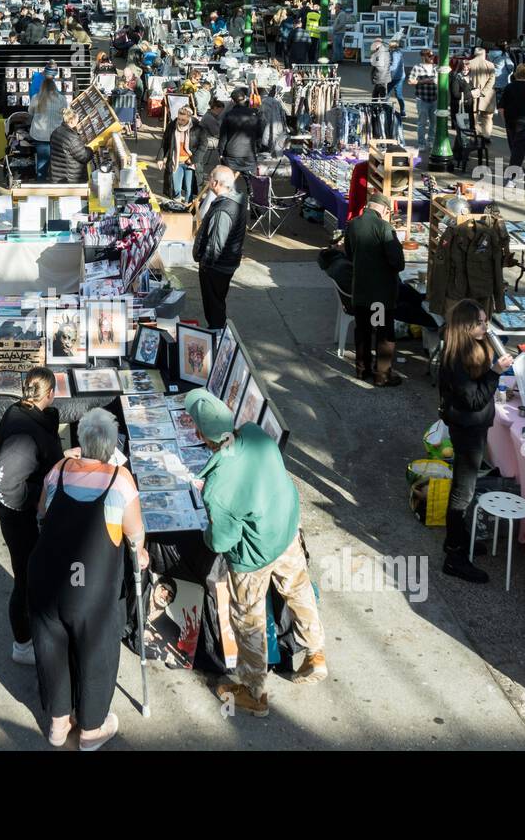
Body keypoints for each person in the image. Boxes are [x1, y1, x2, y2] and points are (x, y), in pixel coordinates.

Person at [184, 388, 327, 718]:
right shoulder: (254, 433)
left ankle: (254, 692)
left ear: (199, 434)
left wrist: (207, 530)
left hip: (255, 555)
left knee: (248, 618)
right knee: (299, 590)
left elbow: (219, 542)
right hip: (287, 530)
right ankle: (315, 655)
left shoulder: (218, 488)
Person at [29, 407, 146, 750]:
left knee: (51, 647)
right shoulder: (120, 481)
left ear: (80, 443)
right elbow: (135, 535)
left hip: (48, 579)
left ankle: (58, 724)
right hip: (93, 590)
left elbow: (42, 512)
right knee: (97, 653)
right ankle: (91, 730)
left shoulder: (58, 470)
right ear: (112, 448)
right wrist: (141, 553)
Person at [0, 367, 64, 668]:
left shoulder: (20, 411)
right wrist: (39, 498)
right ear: (49, 394)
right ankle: (22, 643)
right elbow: (1, 483)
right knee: (25, 578)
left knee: (33, 574)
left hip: (23, 515)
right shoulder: (25, 437)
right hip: (19, 519)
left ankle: (34, 629)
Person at [438, 299, 513, 584]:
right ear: (467, 326)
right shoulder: (455, 358)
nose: (486, 326)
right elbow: (473, 399)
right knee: (463, 491)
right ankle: (455, 556)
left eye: (485, 321)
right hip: (466, 428)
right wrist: (495, 372)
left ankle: (456, 540)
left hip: (472, 426)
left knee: (464, 487)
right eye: (481, 322)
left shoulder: (469, 347)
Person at [344, 193, 405, 386]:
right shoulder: (384, 228)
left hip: (360, 291)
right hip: (379, 296)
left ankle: (361, 370)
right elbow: (397, 263)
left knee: (362, 330)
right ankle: (382, 375)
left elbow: (349, 252)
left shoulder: (353, 224)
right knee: (382, 332)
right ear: (385, 210)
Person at [193, 165, 246, 330]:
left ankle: (216, 334)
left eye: (210, 178)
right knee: (217, 301)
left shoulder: (223, 210)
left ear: (215, 183)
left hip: (217, 268)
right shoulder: (233, 201)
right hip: (226, 264)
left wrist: (204, 266)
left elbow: (215, 246)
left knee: (214, 305)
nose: (208, 181)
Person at [218, 87, 263, 196]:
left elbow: (223, 137)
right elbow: (259, 135)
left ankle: (229, 205)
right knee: (251, 184)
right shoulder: (254, 114)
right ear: (245, 99)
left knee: (228, 183)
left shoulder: (228, 115)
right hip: (249, 154)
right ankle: (254, 208)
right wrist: (257, 148)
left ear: (233, 101)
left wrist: (220, 152)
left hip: (232, 154)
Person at [498, 63, 525, 184]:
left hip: (510, 121)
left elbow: (501, 108)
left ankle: (516, 169)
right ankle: (512, 176)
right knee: (519, 149)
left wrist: (504, 120)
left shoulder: (509, 87)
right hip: (524, 122)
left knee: (514, 147)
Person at [157, 104, 207, 202]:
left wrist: (192, 159)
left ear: (189, 118)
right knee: (176, 189)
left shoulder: (198, 128)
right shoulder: (172, 126)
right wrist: (160, 158)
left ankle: (187, 210)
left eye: (183, 120)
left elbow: (203, 146)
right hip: (176, 162)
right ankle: (177, 206)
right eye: (179, 119)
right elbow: (165, 143)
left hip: (190, 164)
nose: (180, 122)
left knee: (189, 189)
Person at [28, 77, 66, 180]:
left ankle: (41, 183)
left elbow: (30, 112)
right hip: (56, 136)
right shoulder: (62, 98)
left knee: (41, 162)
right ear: (54, 87)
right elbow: (65, 115)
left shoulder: (36, 98)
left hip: (39, 135)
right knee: (57, 162)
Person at [47, 106, 93, 184]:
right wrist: (90, 149)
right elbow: (84, 156)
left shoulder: (57, 131)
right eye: (77, 119)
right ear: (72, 121)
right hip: (70, 178)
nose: (78, 121)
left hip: (56, 176)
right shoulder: (72, 138)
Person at [408, 50, 439, 154]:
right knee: (422, 123)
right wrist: (425, 81)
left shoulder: (436, 67)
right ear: (424, 57)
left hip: (434, 98)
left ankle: (430, 141)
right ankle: (421, 143)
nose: (432, 57)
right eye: (430, 55)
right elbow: (410, 81)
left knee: (433, 122)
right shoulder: (417, 67)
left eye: (433, 55)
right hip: (422, 98)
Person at [467, 47, 497, 140]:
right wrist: (483, 91)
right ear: (484, 54)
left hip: (472, 93)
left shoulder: (468, 64)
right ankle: (486, 135)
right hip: (487, 95)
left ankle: (474, 135)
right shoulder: (490, 65)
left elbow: (465, 79)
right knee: (487, 117)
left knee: (473, 116)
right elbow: (492, 80)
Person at [387, 39, 406, 120]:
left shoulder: (395, 54)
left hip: (395, 77)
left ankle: (385, 109)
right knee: (398, 94)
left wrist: (386, 68)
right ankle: (403, 111)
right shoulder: (398, 52)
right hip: (399, 76)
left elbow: (394, 66)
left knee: (387, 93)